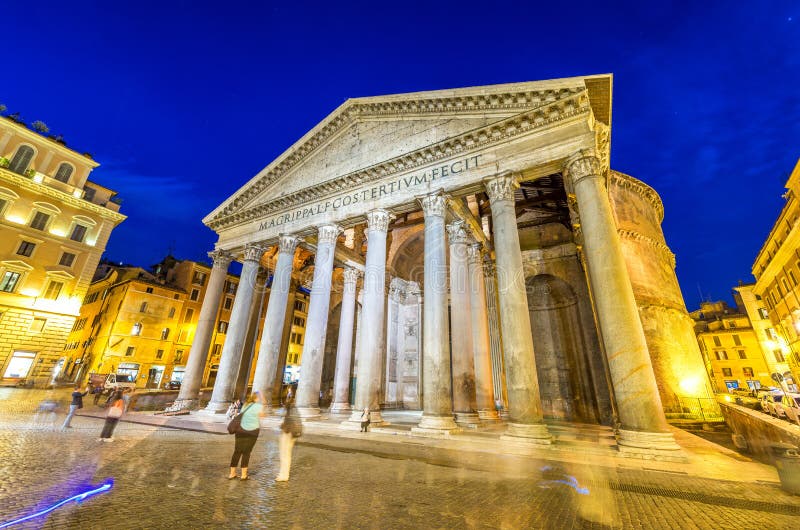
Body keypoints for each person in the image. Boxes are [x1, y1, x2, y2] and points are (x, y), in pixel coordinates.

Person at [229, 392, 265, 480]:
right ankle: (243, 475)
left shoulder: (246, 405)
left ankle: (232, 473)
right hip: (252, 432)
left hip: (240, 430)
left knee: (237, 451)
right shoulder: (258, 406)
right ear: (258, 398)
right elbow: (262, 416)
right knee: (246, 452)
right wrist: (263, 404)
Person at [277, 397, 302, 482]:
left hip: (288, 434)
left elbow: (288, 422)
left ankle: (283, 475)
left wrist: (283, 426)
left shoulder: (290, 410)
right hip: (292, 434)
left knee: (284, 455)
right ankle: (284, 475)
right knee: (287, 455)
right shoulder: (294, 409)